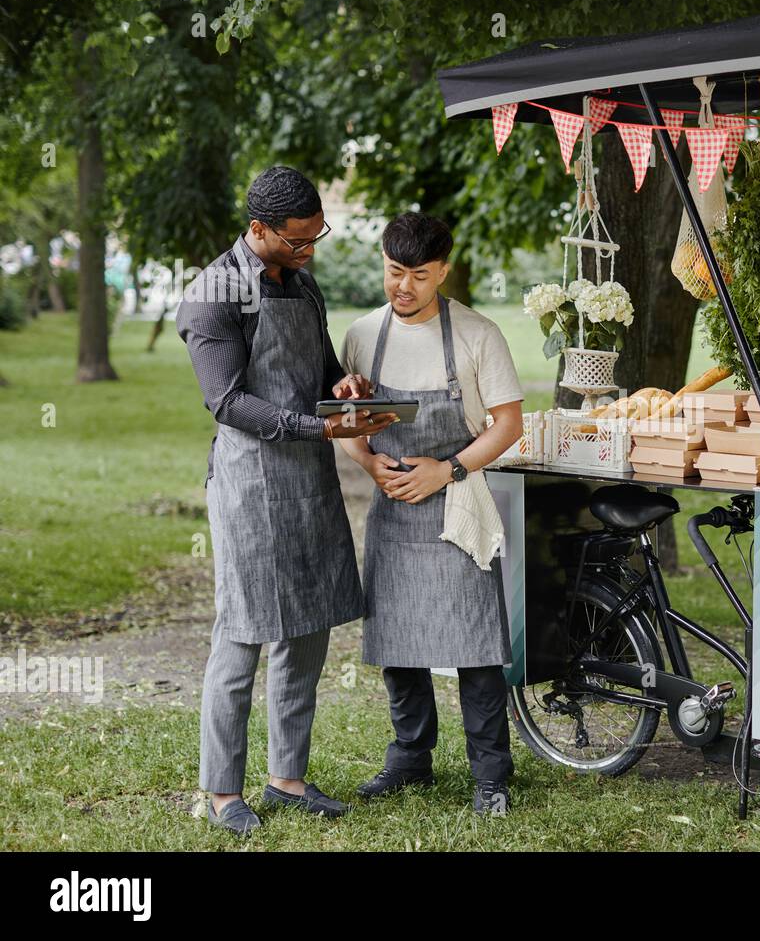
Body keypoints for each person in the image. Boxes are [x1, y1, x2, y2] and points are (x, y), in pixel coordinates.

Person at [178, 166, 396, 835]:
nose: (310, 251)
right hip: (250, 484)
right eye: (298, 241)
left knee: (307, 628)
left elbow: (320, 368)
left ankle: (286, 779)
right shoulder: (213, 295)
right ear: (257, 230)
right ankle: (221, 793)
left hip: (307, 478)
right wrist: (320, 427)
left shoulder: (301, 282)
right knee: (242, 634)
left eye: (316, 237)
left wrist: (347, 385)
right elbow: (227, 401)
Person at [338, 212, 524, 816]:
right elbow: (345, 422)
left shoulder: (477, 334)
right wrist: (368, 464)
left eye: (419, 275)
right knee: (399, 643)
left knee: (474, 646)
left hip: (458, 504)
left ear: (443, 270)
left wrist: (448, 470)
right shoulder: (363, 335)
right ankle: (410, 759)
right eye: (395, 272)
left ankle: (491, 774)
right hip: (393, 507)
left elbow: (508, 425)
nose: (404, 287)